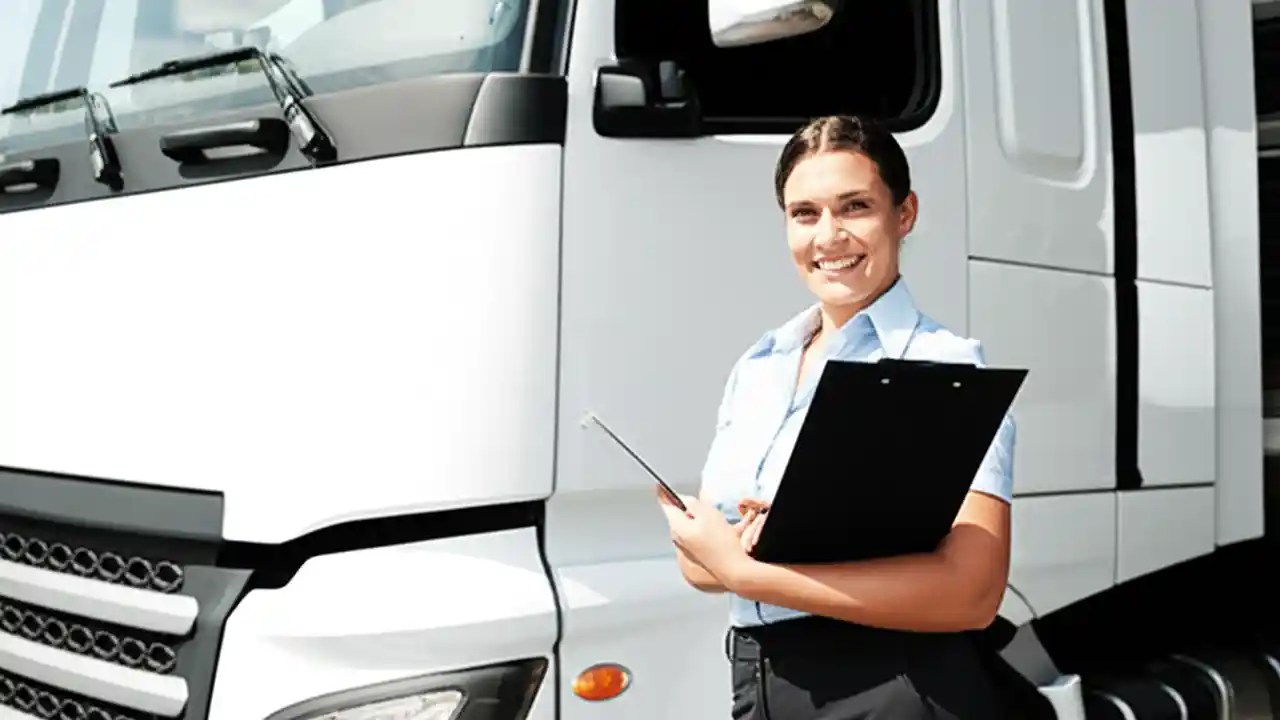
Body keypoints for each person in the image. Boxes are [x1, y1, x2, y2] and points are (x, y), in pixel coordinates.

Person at [656, 114, 1019, 719]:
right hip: (761, 685)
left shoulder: (941, 367)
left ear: (904, 214)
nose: (829, 236)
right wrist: (722, 549)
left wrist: (748, 572)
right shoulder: (760, 366)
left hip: (893, 685)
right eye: (805, 213)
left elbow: (972, 593)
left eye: (855, 207)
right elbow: (703, 562)